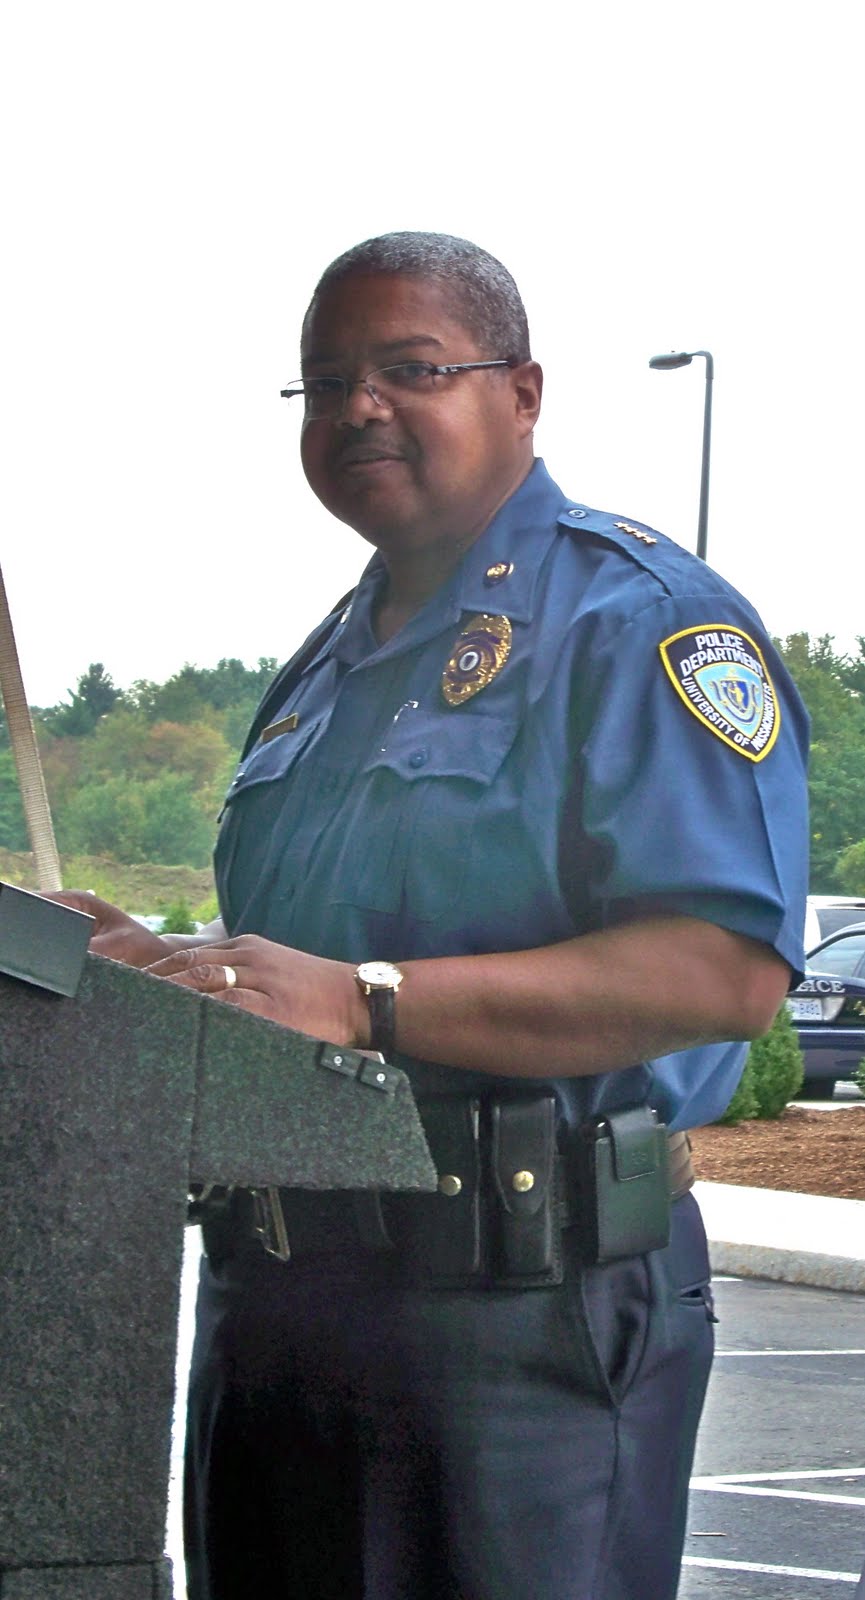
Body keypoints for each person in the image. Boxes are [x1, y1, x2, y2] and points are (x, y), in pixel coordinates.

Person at [59, 232, 809, 1600]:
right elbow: (286, 983)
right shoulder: (323, 669)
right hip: (277, 1313)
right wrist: (145, 977)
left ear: (522, 393)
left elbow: (723, 971)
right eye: (324, 381)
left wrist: (368, 996)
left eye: (410, 369)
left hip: (517, 1316)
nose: (358, 408)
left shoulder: (635, 622)